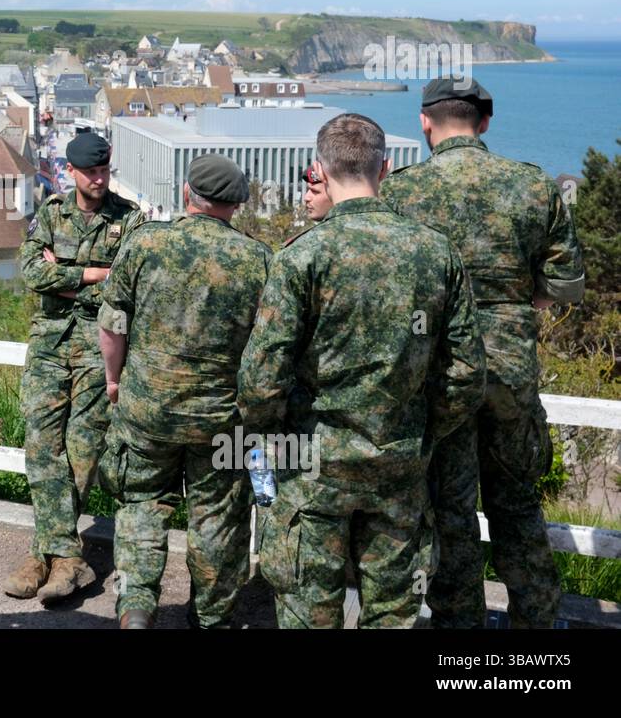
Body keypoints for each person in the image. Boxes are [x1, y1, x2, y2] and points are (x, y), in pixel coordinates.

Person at [237, 113, 487, 628]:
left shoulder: (303, 257)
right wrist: (421, 432)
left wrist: (272, 442)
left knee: (309, 609)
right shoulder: (436, 253)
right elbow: (465, 374)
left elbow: (260, 380)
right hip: (398, 466)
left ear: (320, 171)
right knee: (393, 612)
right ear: (387, 168)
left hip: (312, 467)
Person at [381, 75, 585, 628]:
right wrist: (518, 300)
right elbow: (566, 284)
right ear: (486, 122)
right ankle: (536, 634)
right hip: (511, 374)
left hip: (441, 375)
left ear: (425, 121)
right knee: (518, 507)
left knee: (451, 514)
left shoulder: (401, 191)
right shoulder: (534, 185)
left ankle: (460, 637)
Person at [98, 155, 270, 629]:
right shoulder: (258, 260)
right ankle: (211, 618)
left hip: (147, 410)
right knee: (216, 519)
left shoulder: (146, 243)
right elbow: (269, 349)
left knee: (141, 507)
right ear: (236, 204)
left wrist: (114, 381)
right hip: (220, 419)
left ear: (187, 193)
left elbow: (112, 326)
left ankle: (136, 609)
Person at [4, 131, 145, 604]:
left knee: (81, 452)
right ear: (72, 172)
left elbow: (129, 287)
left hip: (98, 344)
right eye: (91, 172)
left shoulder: (130, 220)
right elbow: (32, 274)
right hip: (48, 345)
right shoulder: (49, 214)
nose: (100, 179)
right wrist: (98, 273)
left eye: (105, 170)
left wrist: (65, 278)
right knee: (41, 446)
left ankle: (46, 556)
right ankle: (61, 555)